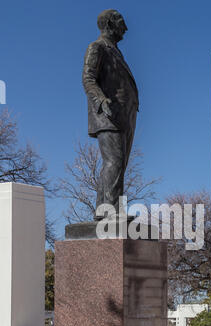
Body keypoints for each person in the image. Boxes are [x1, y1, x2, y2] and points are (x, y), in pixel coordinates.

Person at [82, 9, 139, 215]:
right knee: (113, 162)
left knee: (118, 165)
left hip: (125, 116)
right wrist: (101, 100)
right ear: (109, 24)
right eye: (121, 22)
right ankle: (112, 212)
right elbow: (88, 78)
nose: (125, 27)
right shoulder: (97, 47)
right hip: (108, 114)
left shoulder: (116, 51)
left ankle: (104, 210)